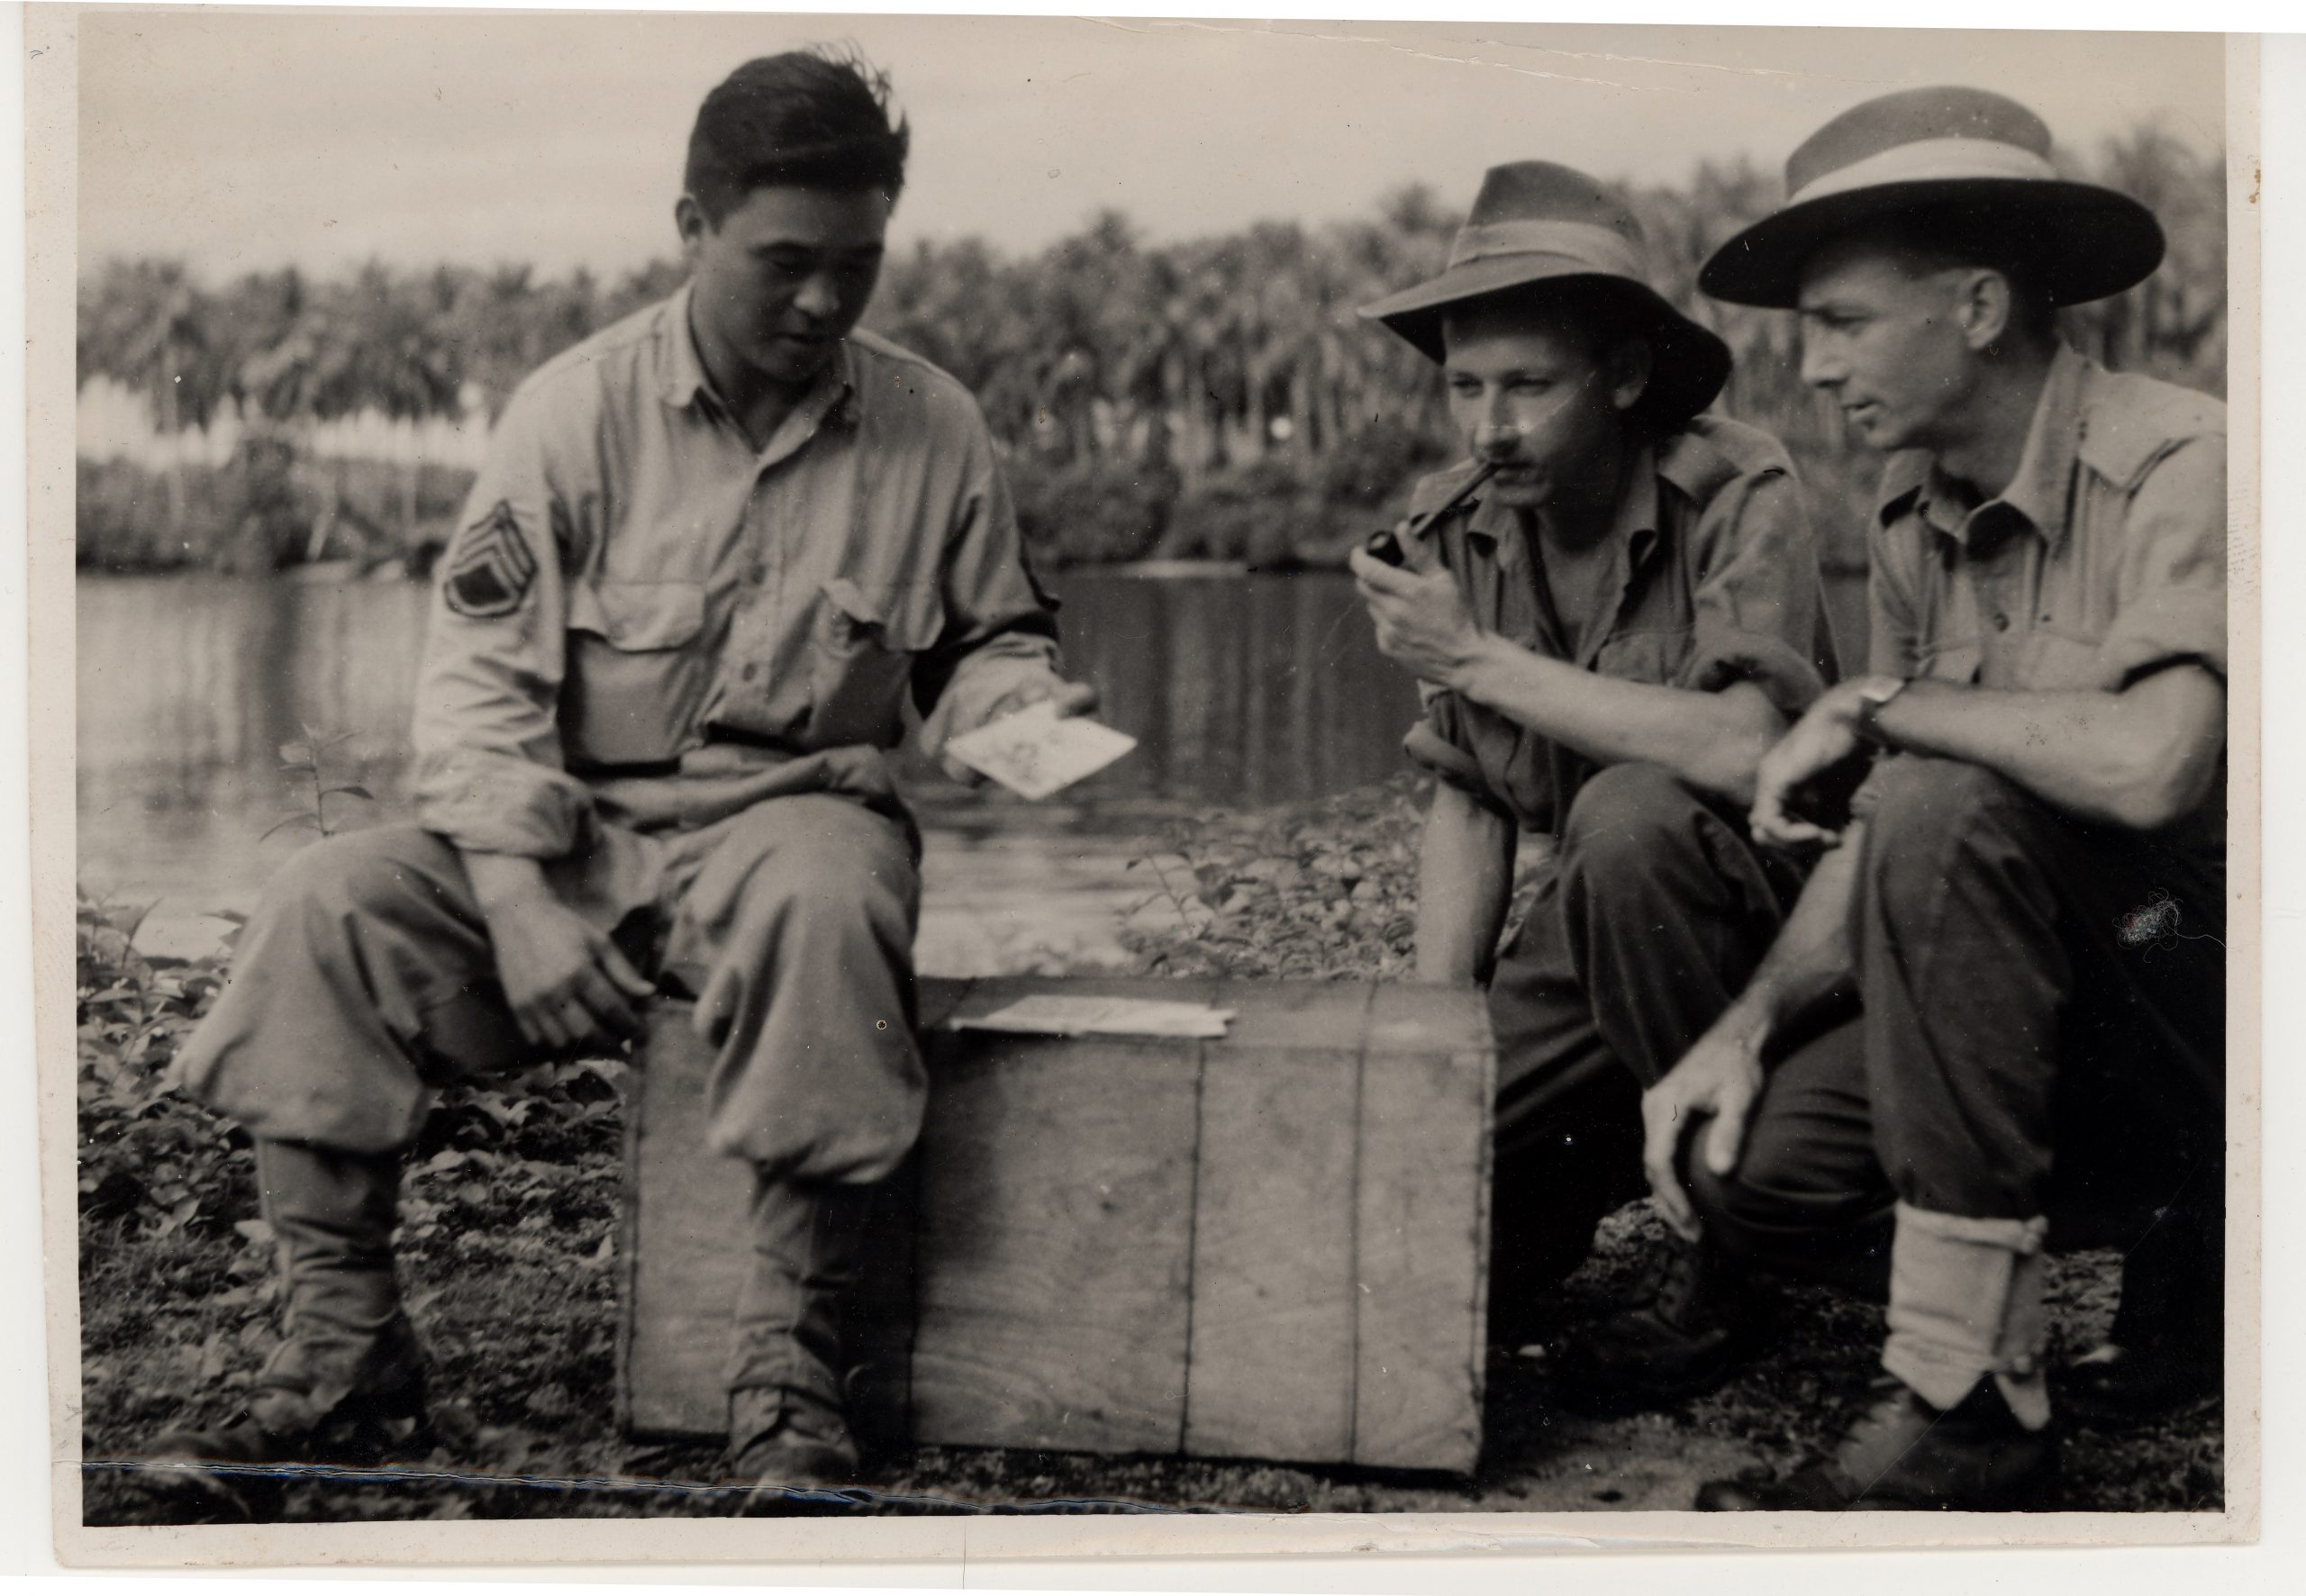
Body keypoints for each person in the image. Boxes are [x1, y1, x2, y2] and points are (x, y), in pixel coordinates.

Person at [144, 49, 1094, 1510]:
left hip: (788, 832)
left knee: (827, 888)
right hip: (565, 846)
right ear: (690, 228)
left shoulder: (932, 427)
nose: (826, 303)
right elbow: (476, 695)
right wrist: (517, 903)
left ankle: (787, 1381)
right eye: (787, 261)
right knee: (330, 901)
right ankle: (342, 1356)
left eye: (860, 265)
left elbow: (989, 640)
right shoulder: (570, 415)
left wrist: (1019, 710)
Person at [1628, 86, 2226, 1510]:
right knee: (1750, 1169)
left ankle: (1971, 1400)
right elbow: (1904, 804)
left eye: (1841, 324)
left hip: (2231, 1018)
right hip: (2069, 1014)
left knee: (1940, 790)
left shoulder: (2188, 463)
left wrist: (1885, 709)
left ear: (1974, 304)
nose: (1814, 371)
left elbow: (2156, 766)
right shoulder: (1913, 515)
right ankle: (2169, 1234)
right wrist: (1741, 1028)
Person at [1346, 161, 1833, 1382]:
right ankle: (1591, 1173)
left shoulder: (1737, 489)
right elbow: (1467, 787)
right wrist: (1438, 1042)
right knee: (1418, 1239)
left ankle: (1729, 1262)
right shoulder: (1452, 520)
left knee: (1627, 817)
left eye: (1528, 386)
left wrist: (1475, 655)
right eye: (1465, 386)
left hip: (1767, 934)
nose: (1488, 427)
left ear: (1621, 378)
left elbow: (1744, 750)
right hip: (1586, 946)